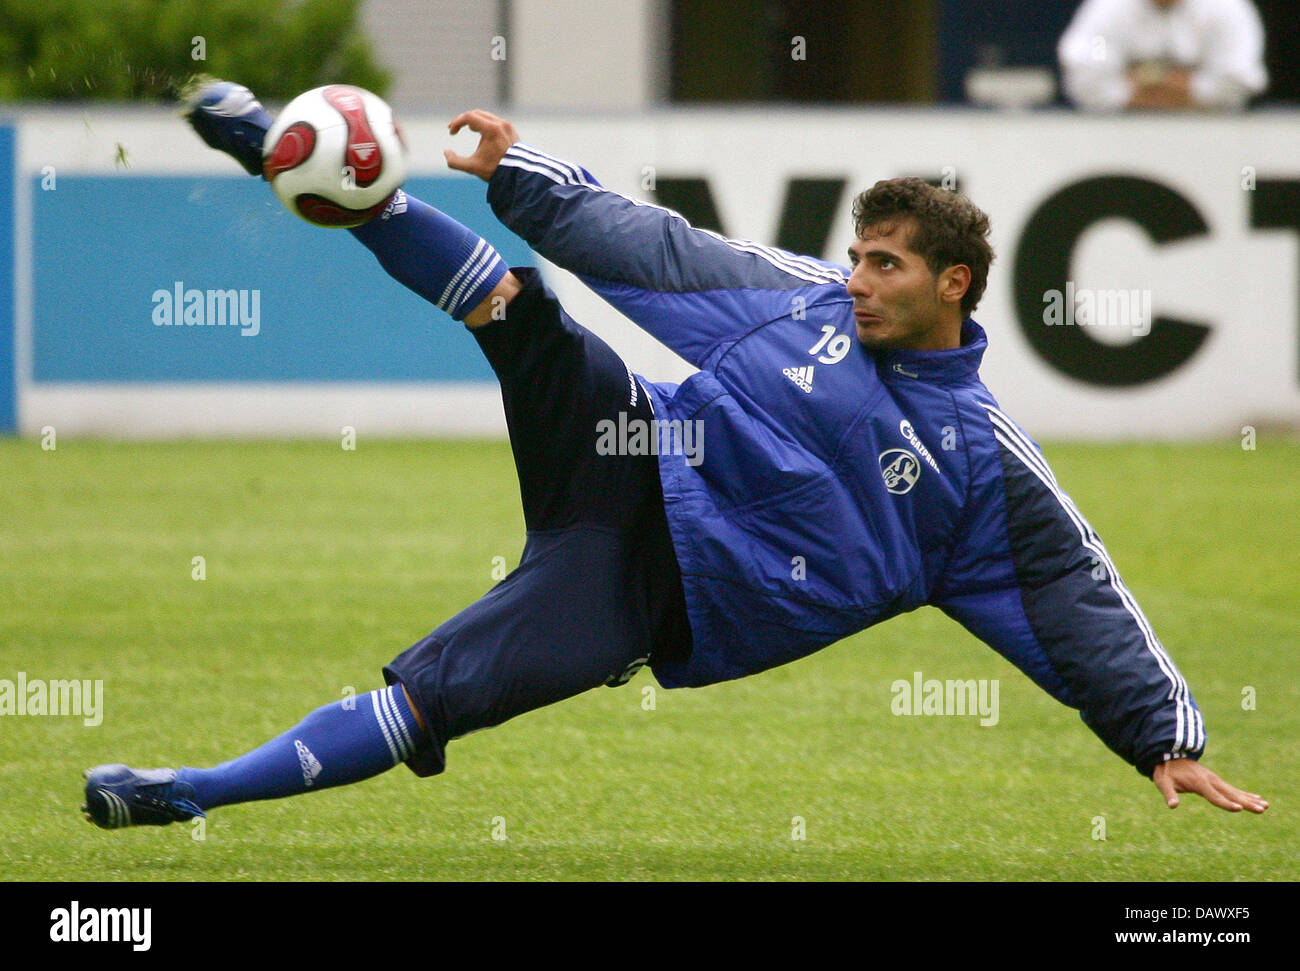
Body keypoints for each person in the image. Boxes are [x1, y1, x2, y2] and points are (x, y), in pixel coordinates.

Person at [82, 80, 1268, 831]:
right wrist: (527, 178)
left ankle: (184, 792)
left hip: (659, 595)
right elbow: (657, 248)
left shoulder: (981, 469)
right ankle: (302, 158)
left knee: (433, 697)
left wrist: (1160, 730)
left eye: (886, 265)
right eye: (856, 254)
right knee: (514, 305)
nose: (855, 278)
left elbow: (1072, 590)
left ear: (953, 285)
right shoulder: (803, 300)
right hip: (632, 452)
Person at [1058, 0, 1268, 111]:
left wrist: (1144, 86)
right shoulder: (1106, 9)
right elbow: (1087, 78)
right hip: (1123, 138)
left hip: (1212, 139)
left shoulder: (1227, 7)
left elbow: (1239, 81)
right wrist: (1186, 90)